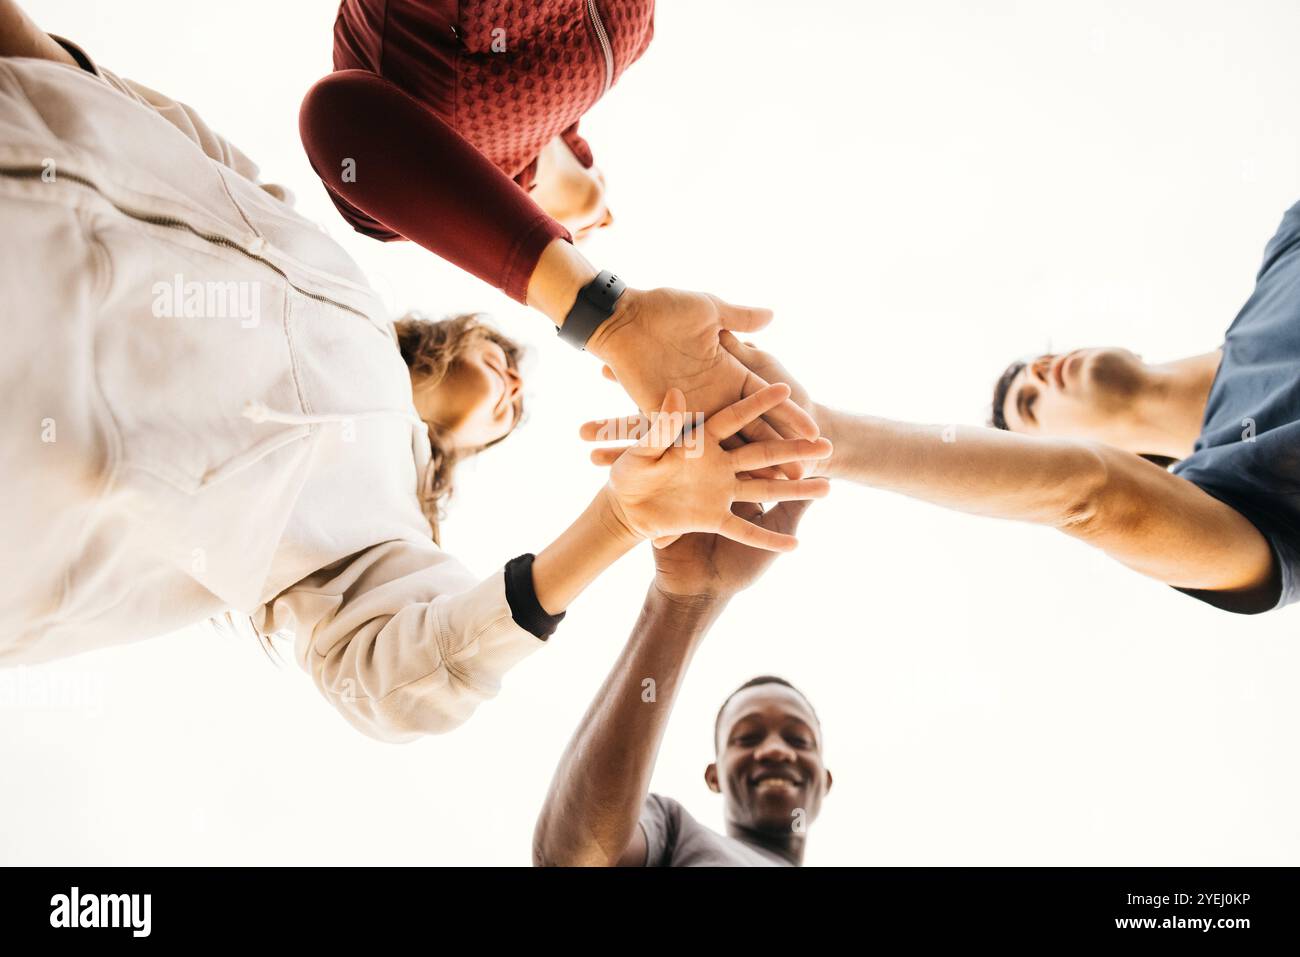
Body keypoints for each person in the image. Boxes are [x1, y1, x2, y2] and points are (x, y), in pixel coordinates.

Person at [0, 4, 832, 742]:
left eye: (512, 414)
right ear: (455, 329)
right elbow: (69, 84)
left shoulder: (377, 540)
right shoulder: (313, 245)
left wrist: (621, 518)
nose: (512, 386)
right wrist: (607, 314)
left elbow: (405, 682)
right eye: (509, 362)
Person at [614, 196, 1300, 615]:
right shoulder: (1230, 500)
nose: (1039, 372)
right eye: (1030, 404)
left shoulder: (1284, 251)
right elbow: (1090, 491)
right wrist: (820, 435)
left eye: (1030, 367)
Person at [298, 1, 818, 462]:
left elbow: (335, 116)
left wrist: (610, 320)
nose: (602, 222)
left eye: (505, 414)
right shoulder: (625, 46)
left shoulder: (396, 192)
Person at [533, 501, 832, 867]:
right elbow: (571, 857)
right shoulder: (673, 832)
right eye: (747, 738)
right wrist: (684, 602)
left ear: (826, 779)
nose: (775, 751)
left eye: (799, 739)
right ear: (714, 775)